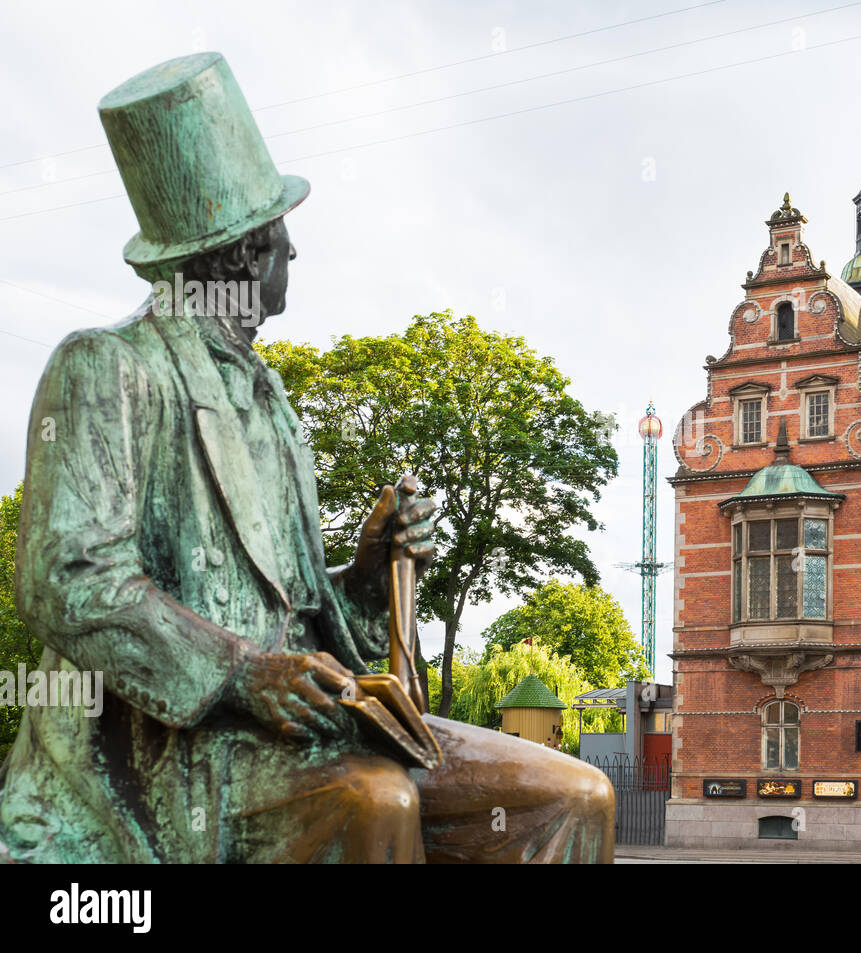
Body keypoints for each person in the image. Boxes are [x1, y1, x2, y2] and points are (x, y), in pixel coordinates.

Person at [0, 52, 613, 864]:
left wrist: (366, 570)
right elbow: (68, 577)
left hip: (313, 726)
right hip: (189, 749)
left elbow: (299, 613)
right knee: (373, 800)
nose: (295, 250)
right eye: (281, 231)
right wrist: (242, 673)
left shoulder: (273, 404)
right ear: (243, 254)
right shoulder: (109, 366)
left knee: (577, 797)